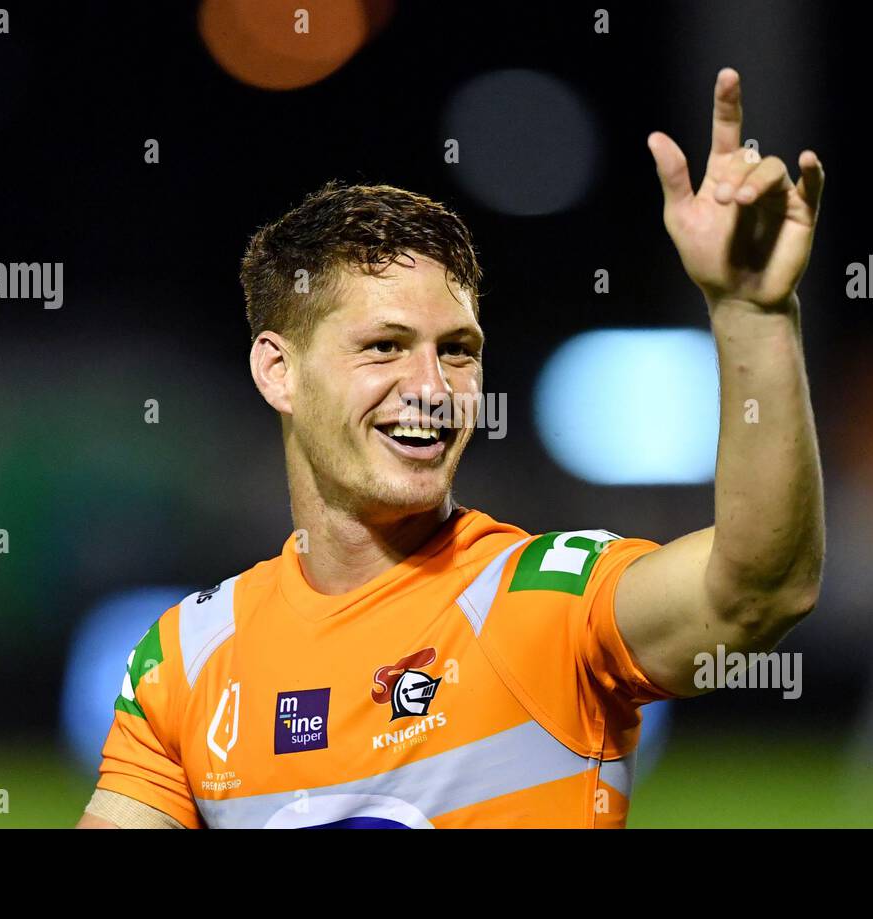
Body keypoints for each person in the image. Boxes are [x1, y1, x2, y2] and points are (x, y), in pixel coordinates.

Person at [78, 68, 825, 829]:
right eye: (385, 346)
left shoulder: (537, 605)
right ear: (279, 371)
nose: (432, 386)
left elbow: (760, 588)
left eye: (458, 350)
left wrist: (752, 314)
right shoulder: (190, 658)